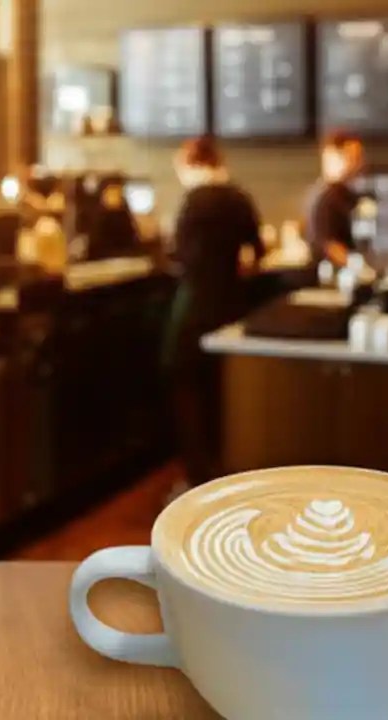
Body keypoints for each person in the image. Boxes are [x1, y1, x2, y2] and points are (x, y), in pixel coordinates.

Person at [164, 135, 264, 492]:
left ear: (192, 165)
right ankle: (223, 473)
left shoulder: (192, 203)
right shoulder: (239, 199)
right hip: (230, 308)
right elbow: (256, 253)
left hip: (193, 310)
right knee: (221, 393)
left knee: (187, 390)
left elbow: (179, 257)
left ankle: (196, 477)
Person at [304, 132, 365, 269]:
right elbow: (329, 246)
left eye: (359, 157)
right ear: (333, 157)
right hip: (331, 278)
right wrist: (359, 266)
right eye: (352, 158)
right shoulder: (326, 198)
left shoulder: (347, 194)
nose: (359, 164)